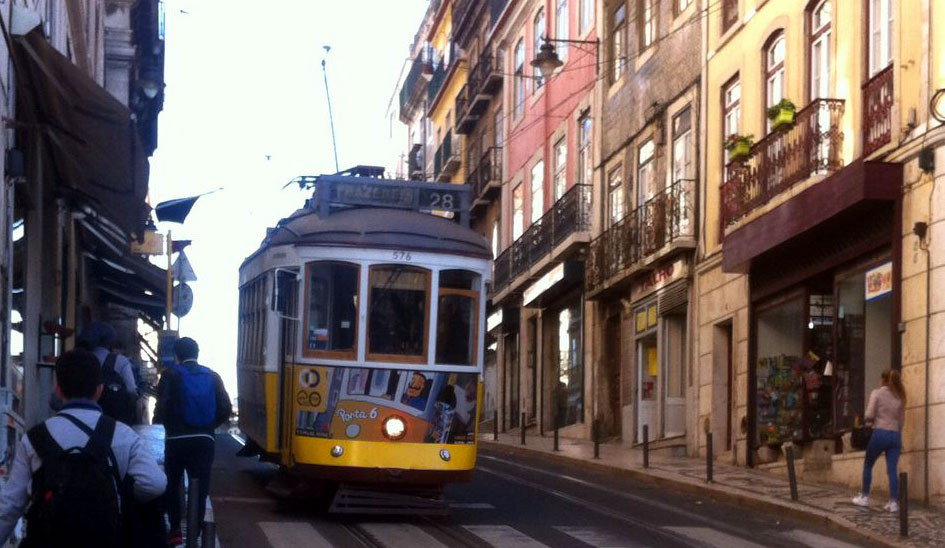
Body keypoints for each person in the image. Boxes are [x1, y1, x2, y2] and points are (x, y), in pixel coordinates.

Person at [0, 349, 166, 547]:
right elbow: (155, 483)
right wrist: (120, 493)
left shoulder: (35, 438)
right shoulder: (122, 435)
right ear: (100, 390)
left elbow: (10, 505)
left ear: (58, 390)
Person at [155, 337, 231, 546]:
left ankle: (176, 531)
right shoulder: (213, 376)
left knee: (173, 482)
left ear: (177, 355)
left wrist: (166, 424)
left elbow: (162, 406)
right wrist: (208, 427)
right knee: (201, 484)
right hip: (204, 440)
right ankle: (196, 533)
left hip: (177, 439)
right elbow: (225, 408)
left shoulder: (170, 374)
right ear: (197, 353)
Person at [852, 368, 906, 512]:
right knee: (892, 470)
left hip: (880, 433)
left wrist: (870, 421)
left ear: (883, 379)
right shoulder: (899, 397)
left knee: (869, 464)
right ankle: (893, 502)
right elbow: (901, 422)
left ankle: (864, 497)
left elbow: (869, 414)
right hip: (895, 435)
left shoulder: (877, 393)